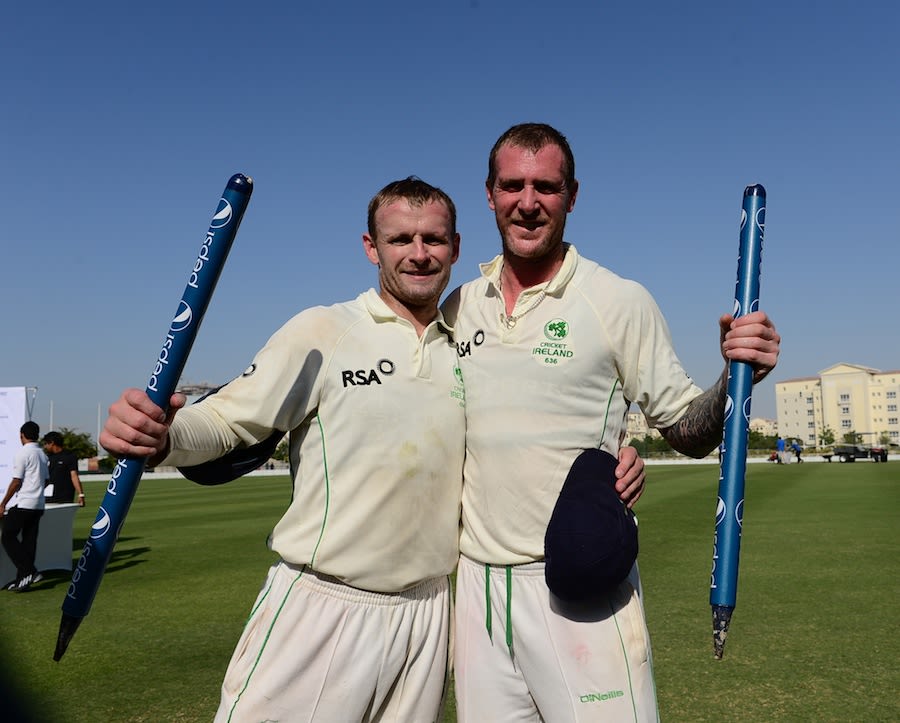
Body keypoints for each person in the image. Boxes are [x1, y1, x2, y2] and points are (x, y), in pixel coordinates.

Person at [100, 176, 647, 722]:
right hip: (324, 606)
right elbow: (227, 421)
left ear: (456, 248)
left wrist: (615, 452)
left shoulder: (465, 341)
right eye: (400, 239)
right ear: (371, 247)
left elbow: (530, 418)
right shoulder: (324, 330)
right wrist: (163, 437)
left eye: (433, 239)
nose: (419, 254)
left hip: (428, 617)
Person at [441, 123, 781, 721]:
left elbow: (685, 430)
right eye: (512, 186)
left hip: (581, 580)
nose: (528, 202)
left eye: (546, 187)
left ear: (572, 196)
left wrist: (735, 376)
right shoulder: (458, 306)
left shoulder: (617, 300)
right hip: (476, 594)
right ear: (489, 194)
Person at [1, 421, 49, 592]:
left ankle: (30, 571)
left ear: (22, 435)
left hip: (24, 503)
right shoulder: (42, 454)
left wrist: (3, 503)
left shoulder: (23, 453)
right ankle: (23, 579)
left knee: (8, 536)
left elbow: (16, 481)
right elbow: (46, 480)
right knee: (29, 541)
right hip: (39, 504)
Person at [41, 431, 86, 506]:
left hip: (65, 498)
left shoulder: (69, 456)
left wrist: (81, 494)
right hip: (47, 498)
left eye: (46, 443)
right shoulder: (45, 457)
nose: (45, 446)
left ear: (52, 443)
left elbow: (74, 476)